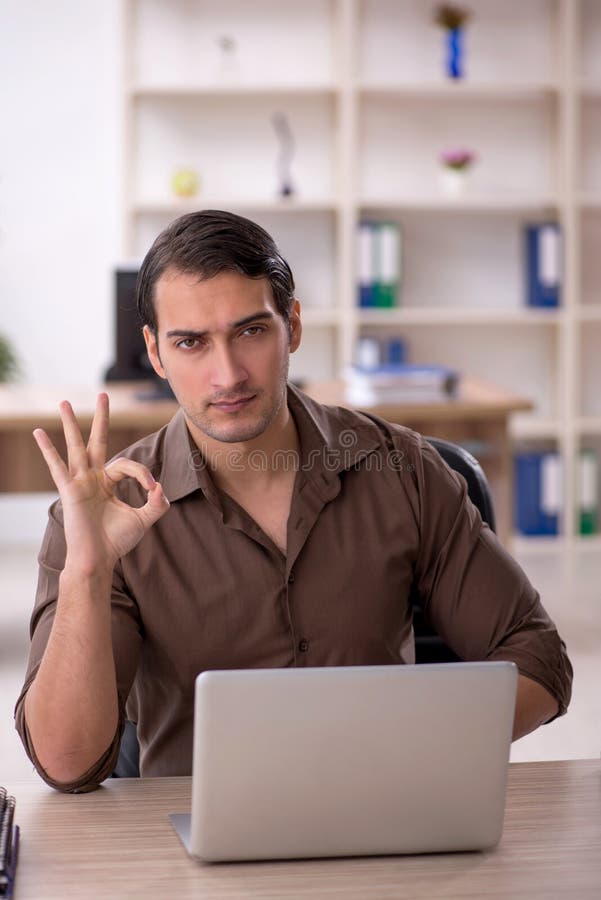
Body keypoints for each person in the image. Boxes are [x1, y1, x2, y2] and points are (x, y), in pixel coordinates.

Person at [15, 210, 572, 793]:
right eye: (191, 343)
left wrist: (417, 751)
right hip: (188, 851)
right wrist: (87, 570)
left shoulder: (403, 471)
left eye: (251, 331)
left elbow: (539, 657)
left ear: (293, 326)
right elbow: (67, 763)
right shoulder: (102, 512)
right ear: (155, 353)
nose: (226, 375)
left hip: (385, 818)